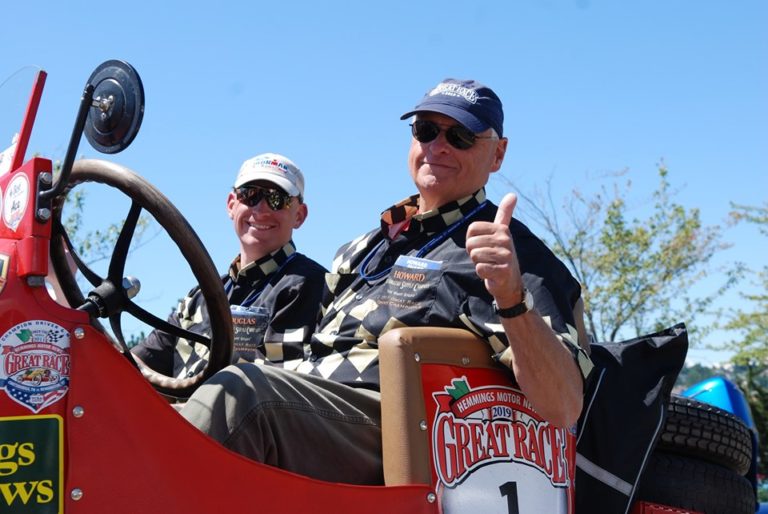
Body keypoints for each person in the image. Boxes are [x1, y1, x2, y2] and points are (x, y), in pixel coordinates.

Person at [180, 79, 593, 484]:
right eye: (426, 131)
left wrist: (511, 297)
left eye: (462, 135)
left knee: (242, 396)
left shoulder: (512, 253)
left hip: (398, 427)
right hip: (310, 402)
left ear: (498, 154)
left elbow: (563, 404)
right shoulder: (366, 245)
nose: (437, 146)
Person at [132, 152, 327, 378]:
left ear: (299, 216)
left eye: (277, 199)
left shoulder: (311, 285)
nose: (262, 209)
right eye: (250, 195)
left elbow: (271, 387)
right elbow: (138, 364)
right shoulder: (198, 298)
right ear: (231, 205)